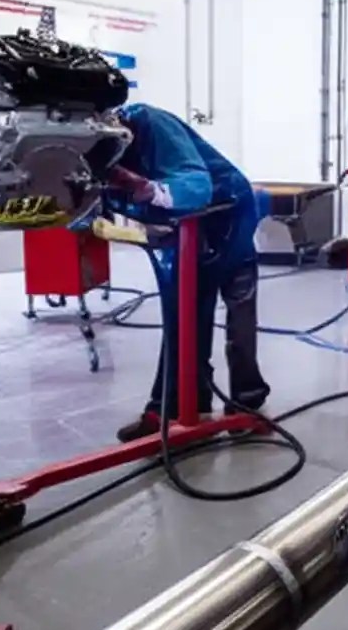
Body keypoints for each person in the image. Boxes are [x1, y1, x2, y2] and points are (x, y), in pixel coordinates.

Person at [105, 103, 270, 442]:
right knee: (183, 314)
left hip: (229, 211)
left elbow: (196, 186)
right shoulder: (90, 150)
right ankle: (177, 404)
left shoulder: (148, 123)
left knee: (237, 309)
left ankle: (246, 402)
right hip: (184, 224)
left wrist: (146, 189)